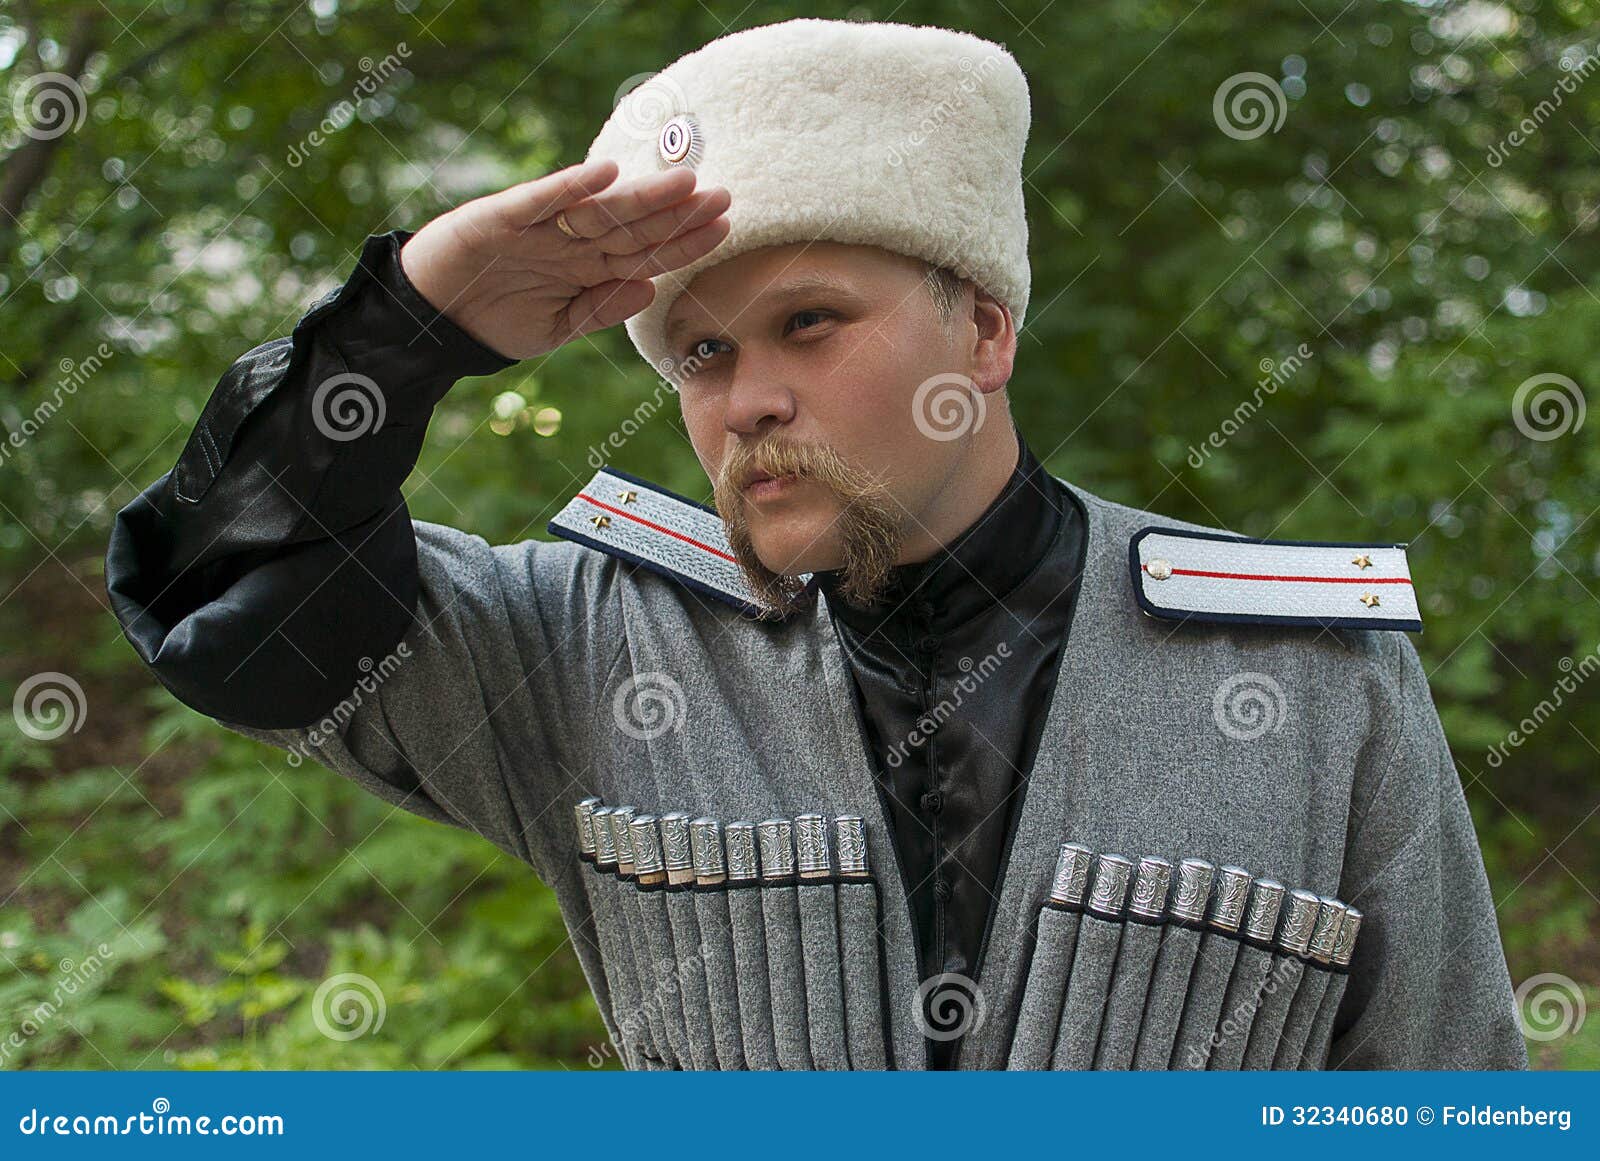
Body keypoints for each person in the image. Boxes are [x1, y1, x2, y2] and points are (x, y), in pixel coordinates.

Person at [105, 17, 1526, 1070]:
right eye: (701, 352)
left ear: (984, 326)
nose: (747, 397)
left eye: (808, 322)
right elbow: (227, 600)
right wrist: (409, 323)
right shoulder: (590, 645)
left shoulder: (1312, 678)